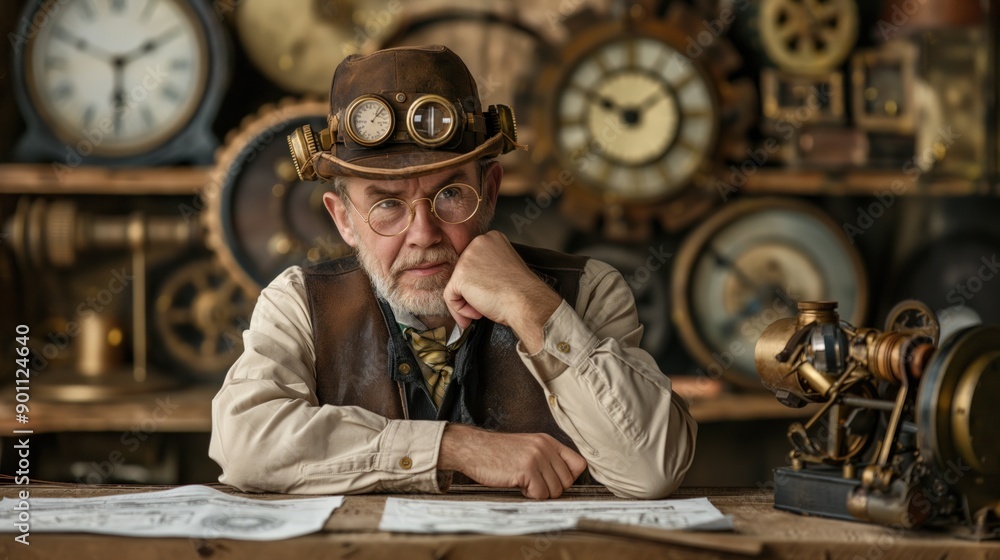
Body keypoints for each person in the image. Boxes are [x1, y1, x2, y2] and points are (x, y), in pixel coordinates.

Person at [209, 45, 696, 499]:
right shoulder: (300, 302)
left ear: (490, 190)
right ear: (344, 220)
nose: (423, 234)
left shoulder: (587, 290)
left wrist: (531, 305)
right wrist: (453, 447)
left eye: (450, 194)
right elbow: (244, 446)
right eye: (387, 204)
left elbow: (651, 469)